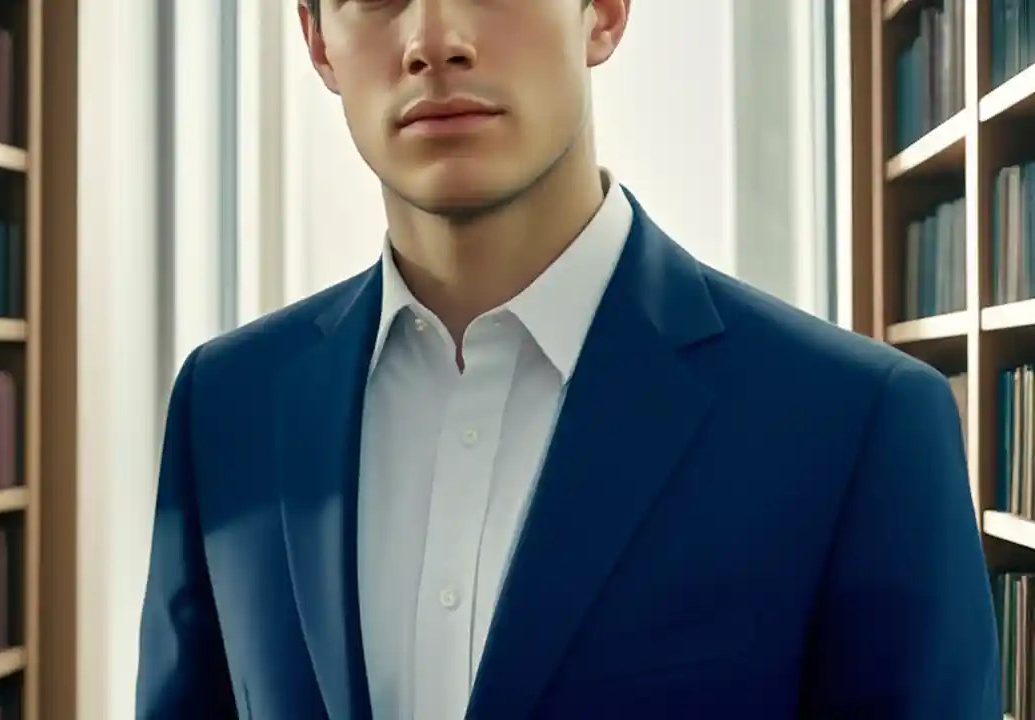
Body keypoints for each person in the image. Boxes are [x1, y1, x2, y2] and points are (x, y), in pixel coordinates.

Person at [135, 0, 1001, 717]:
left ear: (606, 12)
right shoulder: (227, 407)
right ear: (318, 40)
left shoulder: (855, 424)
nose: (435, 40)